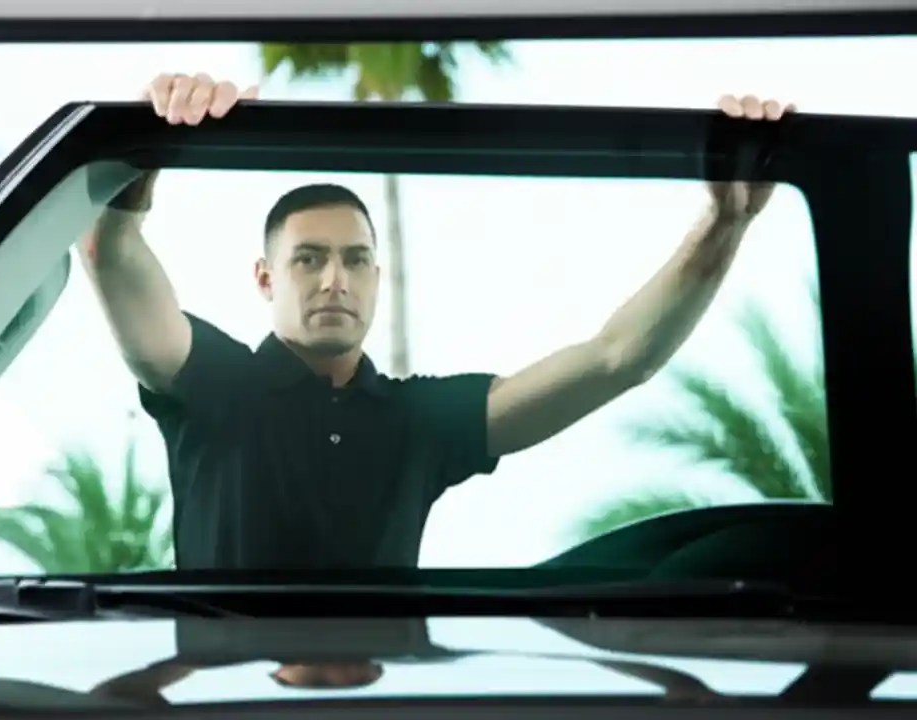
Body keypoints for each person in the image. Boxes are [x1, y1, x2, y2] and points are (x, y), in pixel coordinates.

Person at [80, 72, 794, 571]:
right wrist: (151, 138)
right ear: (265, 278)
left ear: (377, 278)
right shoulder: (214, 381)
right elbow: (110, 251)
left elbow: (617, 358)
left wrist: (724, 222)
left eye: (357, 260)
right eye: (308, 260)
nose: (336, 279)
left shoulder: (414, 417)